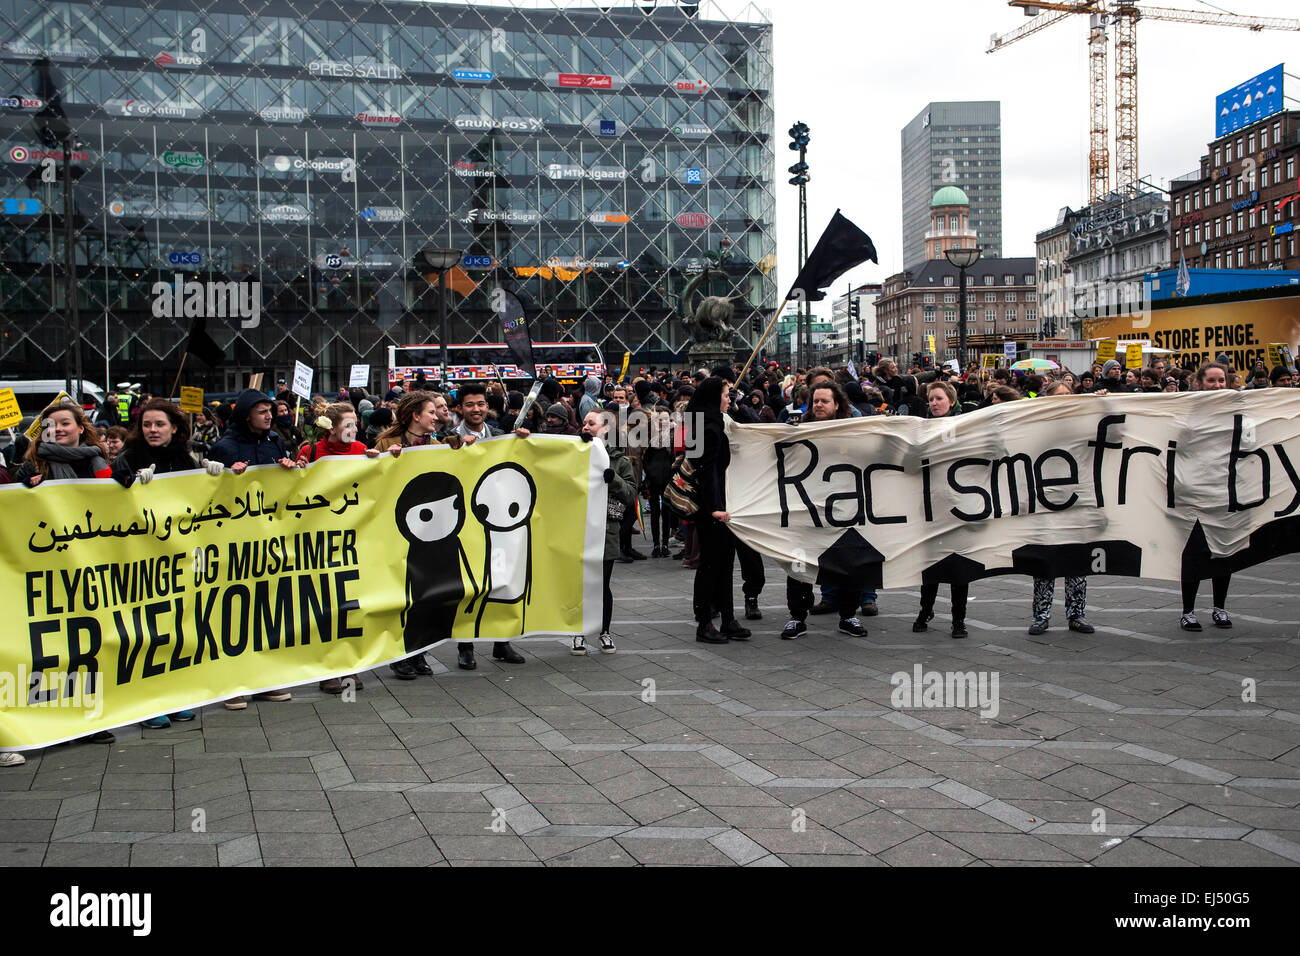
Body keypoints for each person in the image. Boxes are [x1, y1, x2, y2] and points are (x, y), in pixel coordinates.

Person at [11, 402, 116, 743]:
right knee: (54, 643)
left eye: (65, 423)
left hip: (92, 564)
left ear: (81, 427)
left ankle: (90, 715)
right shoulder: (31, 464)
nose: (58, 429)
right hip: (50, 568)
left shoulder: (97, 462)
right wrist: (28, 487)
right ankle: (55, 716)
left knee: (90, 640)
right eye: (50, 425)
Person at [110, 399, 207, 727]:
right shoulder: (130, 457)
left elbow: (200, 501)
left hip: (177, 559)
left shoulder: (184, 459)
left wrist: (214, 477)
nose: (152, 430)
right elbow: (110, 492)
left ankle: (174, 696)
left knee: (175, 628)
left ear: (174, 428)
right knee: (145, 631)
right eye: (147, 425)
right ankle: (147, 704)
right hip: (142, 559)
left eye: (159, 425)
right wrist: (127, 480)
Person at [205, 389, 299, 709]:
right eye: (261, 411)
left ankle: (264, 679)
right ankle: (232, 683)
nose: (269, 416)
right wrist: (226, 475)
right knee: (235, 613)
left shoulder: (274, 442)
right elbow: (210, 492)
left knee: (265, 611)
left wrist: (287, 465)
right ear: (246, 415)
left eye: (270, 410)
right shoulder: (225, 447)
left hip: (268, 540)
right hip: (235, 541)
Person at [781, 382, 869, 640]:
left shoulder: (850, 431)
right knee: (798, 565)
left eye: (824, 401)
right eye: (815, 401)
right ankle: (797, 617)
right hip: (806, 511)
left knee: (848, 564)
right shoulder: (800, 429)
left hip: (842, 511)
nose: (818, 405)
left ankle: (848, 614)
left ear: (837, 405)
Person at [688, 377, 750, 644]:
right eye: (726, 395)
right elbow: (707, 470)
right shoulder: (708, 426)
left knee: (725, 563)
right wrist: (714, 508)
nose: (729, 399)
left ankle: (727, 619)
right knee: (712, 565)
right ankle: (705, 623)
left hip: (718, 504)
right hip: (711, 507)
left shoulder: (704, 420)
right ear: (715, 398)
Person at [573, 409, 636, 655]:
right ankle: (577, 632)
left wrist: (614, 480)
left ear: (606, 428)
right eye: (584, 423)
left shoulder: (620, 461)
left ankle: (604, 631)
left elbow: (631, 494)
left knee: (601, 583)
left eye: (592, 423)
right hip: (577, 528)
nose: (586, 426)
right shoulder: (573, 453)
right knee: (579, 584)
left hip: (606, 529)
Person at [1180, 362, 1235, 631]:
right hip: (1195, 494)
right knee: (1194, 554)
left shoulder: (1238, 410)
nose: (1217, 385)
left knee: (1224, 552)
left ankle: (1219, 608)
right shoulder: (1187, 411)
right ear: (1200, 383)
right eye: (1211, 381)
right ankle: (1188, 611)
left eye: (1221, 380)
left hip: (1225, 493)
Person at [914, 381, 969, 639]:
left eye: (938, 398)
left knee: (959, 565)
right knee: (930, 564)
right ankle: (926, 610)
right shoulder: (920, 427)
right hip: (930, 506)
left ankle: (959, 619)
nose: (934, 403)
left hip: (958, 505)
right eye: (931, 399)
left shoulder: (967, 424)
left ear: (950, 400)